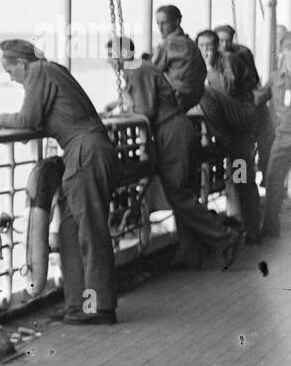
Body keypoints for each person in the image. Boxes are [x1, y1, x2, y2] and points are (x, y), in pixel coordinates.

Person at [0, 40, 118, 324]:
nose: (10, 77)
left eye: (9, 70)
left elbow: (29, 118)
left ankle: (101, 308)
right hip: (87, 149)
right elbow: (36, 122)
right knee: (70, 230)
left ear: (22, 63)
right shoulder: (53, 70)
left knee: (90, 230)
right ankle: (79, 303)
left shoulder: (39, 72)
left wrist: (2, 119)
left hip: (84, 152)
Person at [105, 40, 240, 269]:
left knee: (177, 193)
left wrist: (120, 114)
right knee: (180, 192)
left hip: (170, 130)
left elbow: (144, 110)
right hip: (173, 129)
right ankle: (189, 251)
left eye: (111, 54)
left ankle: (224, 236)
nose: (109, 60)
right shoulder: (140, 68)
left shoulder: (135, 69)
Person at [197, 28, 261, 241]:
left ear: (217, 46)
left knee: (242, 176)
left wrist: (208, 70)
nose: (206, 50)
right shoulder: (211, 65)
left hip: (240, 127)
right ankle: (241, 223)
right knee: (236, 176)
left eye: (209, 46)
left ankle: (251, 229)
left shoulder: (227, 61)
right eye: (202, 46)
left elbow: (228, 88)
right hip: (232, 127)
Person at [215, 24, 274, 179]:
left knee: (244, 150)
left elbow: (251, 80)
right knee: (237, 152)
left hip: (242, 108)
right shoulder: (214, 58)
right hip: (230, 110)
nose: (225, 45)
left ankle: (248, 181)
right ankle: (236, 183)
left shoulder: (241, 54)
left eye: (228, 41)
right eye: (221, 41)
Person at [260, 27, 291, 240]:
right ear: (282, 52)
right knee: (272, 178)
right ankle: (270, 230)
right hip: (283, 137)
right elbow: (257, 99)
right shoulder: (275, 78)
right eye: (288, 48)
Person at [151, 5, 207, 118]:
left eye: (164, 23)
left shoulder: (169, 43)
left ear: (177, 21)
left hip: (176, 99)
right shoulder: (191, 44)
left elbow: (152, 71)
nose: (160, 28)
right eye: (158, 23)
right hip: (193, 98)